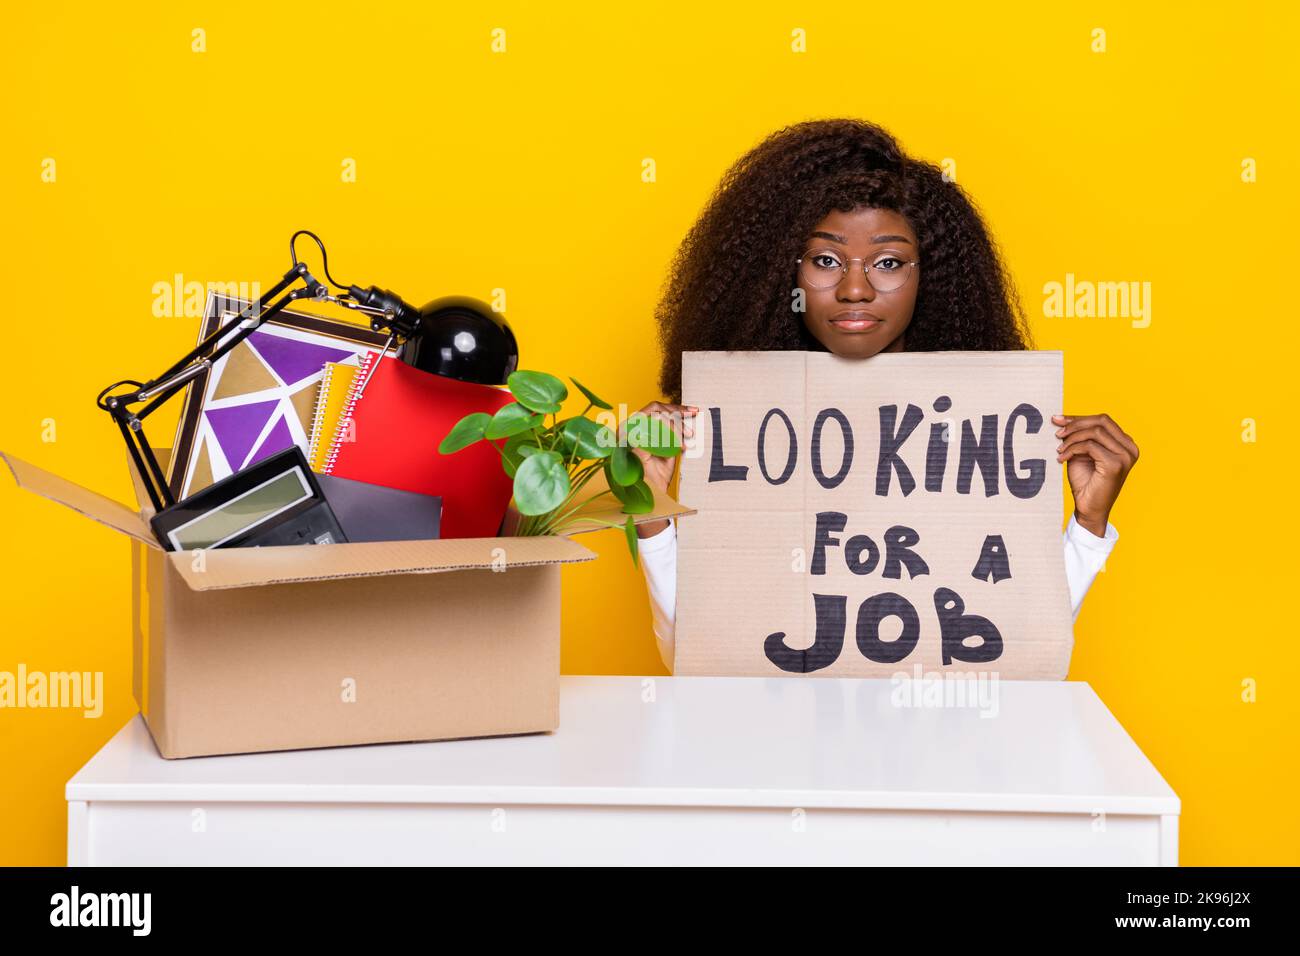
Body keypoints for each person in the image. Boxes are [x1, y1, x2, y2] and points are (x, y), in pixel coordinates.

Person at [630, 119, 1138, 672]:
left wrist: (1087, 525)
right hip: (774, 747)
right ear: (782, 273)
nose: (855, 288)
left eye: (889, 263)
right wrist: (652, 510)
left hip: (941, 749)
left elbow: (1018, 652)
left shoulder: (976, 431)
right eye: (824, 260)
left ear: (933, 276)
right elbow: (700, 654)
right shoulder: (744, 433)